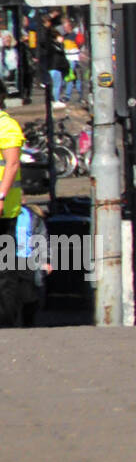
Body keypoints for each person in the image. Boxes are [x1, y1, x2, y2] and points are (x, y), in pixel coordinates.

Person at [0, 100, 33, 328]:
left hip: (3, 211)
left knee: (4, 273)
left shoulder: (6, 126)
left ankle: (5, 322)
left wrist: (0, 197)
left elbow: (11, 165)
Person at [40, 10, 68, 108]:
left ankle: (55, 100)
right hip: (54, 66)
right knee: (56, 84)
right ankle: (55, 100)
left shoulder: (52, 43)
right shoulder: (53, 44)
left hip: (55, 66)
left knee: (57, 84)